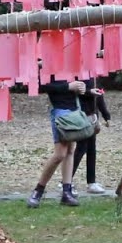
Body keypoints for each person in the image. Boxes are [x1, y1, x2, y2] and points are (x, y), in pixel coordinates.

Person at [28, 78, 90, 208]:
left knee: (70, 151)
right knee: (60, 154)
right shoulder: (50, 65)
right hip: (60, 111)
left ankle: (66, 191)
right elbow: (44, 86)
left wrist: (83, 88)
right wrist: (68, 86)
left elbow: (81, 83)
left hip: (74, 110)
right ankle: (38, 191)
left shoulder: (72, 64)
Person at [75, 81, 111, 194]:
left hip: (92, 117)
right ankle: (65, 182)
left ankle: (91, 182)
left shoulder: (95, 74)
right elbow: (73, 91)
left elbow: (99, 96)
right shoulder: (79, 73)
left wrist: (106, 116)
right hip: (81, 115)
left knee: (91, 150)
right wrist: (89, 92)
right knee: (81, 149)